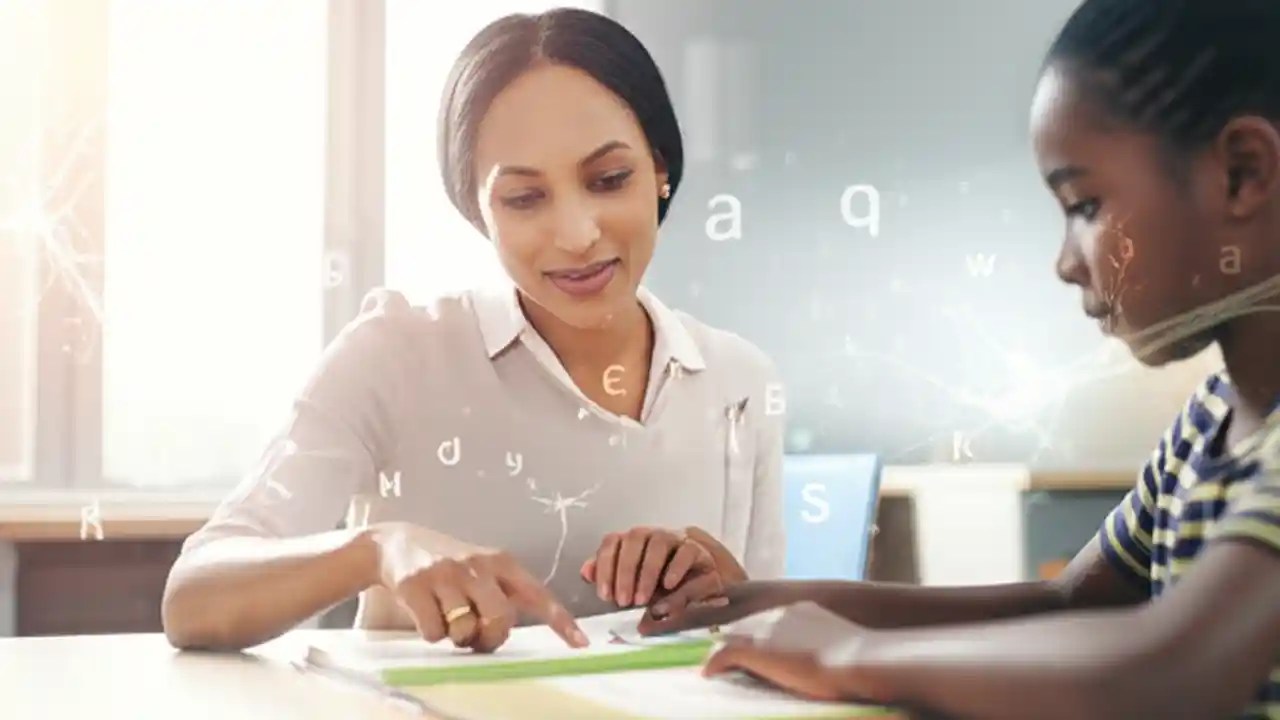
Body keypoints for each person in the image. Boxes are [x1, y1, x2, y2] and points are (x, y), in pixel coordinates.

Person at [642, 0, 1280, 717]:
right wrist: (750, 602)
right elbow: (1063, 602)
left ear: (1242, 174)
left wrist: (844, 654)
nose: (1067, 263)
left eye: (1085, 205)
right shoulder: (1208, 426)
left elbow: (1175, 670)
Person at [160, 7, 785, 655]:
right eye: (523, 198)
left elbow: (772, 640)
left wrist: (724, 592)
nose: (576, 234)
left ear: (660, 171)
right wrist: (376, 548)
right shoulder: (396, 353)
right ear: (476, 211)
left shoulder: (739, 379)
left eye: (608, 180)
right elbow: (194, 598)